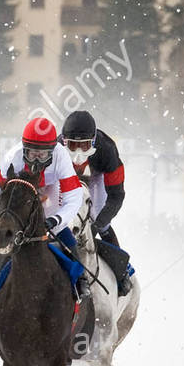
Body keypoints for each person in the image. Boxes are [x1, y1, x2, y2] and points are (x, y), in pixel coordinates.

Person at [0, 117, 86, 304]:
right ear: (23, 149)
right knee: (10, 232)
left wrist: (56, 220)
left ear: (53, 151)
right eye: (31, 154)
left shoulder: (61, 156)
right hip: (23, 190)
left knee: (59, 229)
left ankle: (81, 279)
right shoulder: (11, 158)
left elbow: (74, 198)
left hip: (51, 188)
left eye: (43, 155)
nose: (37, 159)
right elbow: (0, 195)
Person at [60, 110, 133, 296]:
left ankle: (121, 272)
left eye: (84, 146)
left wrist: (98, 224)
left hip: (96, 176)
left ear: (93, 142)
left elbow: (116, 196)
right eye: (73, 145)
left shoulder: (107, 149)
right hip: (65, 177)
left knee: (97, 213)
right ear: (64, 142)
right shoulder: (56, 150)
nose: (77, 152)